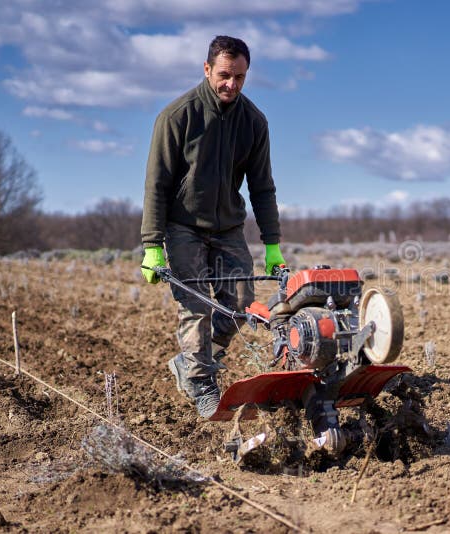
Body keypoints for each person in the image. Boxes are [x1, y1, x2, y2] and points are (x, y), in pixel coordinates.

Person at [140, 35, 285, 418]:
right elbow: (157, 183)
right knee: (195, 306)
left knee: (241, 306)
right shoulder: (177, 117)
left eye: (239, 76)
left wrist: (273, 245)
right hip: (183, 225)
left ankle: (188, 364)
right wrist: (152, 244)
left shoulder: (254, 122)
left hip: (228, 228)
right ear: (207, 70)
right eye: (224, 75)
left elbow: (263, 187)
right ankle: (203, 385)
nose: (231, 84)